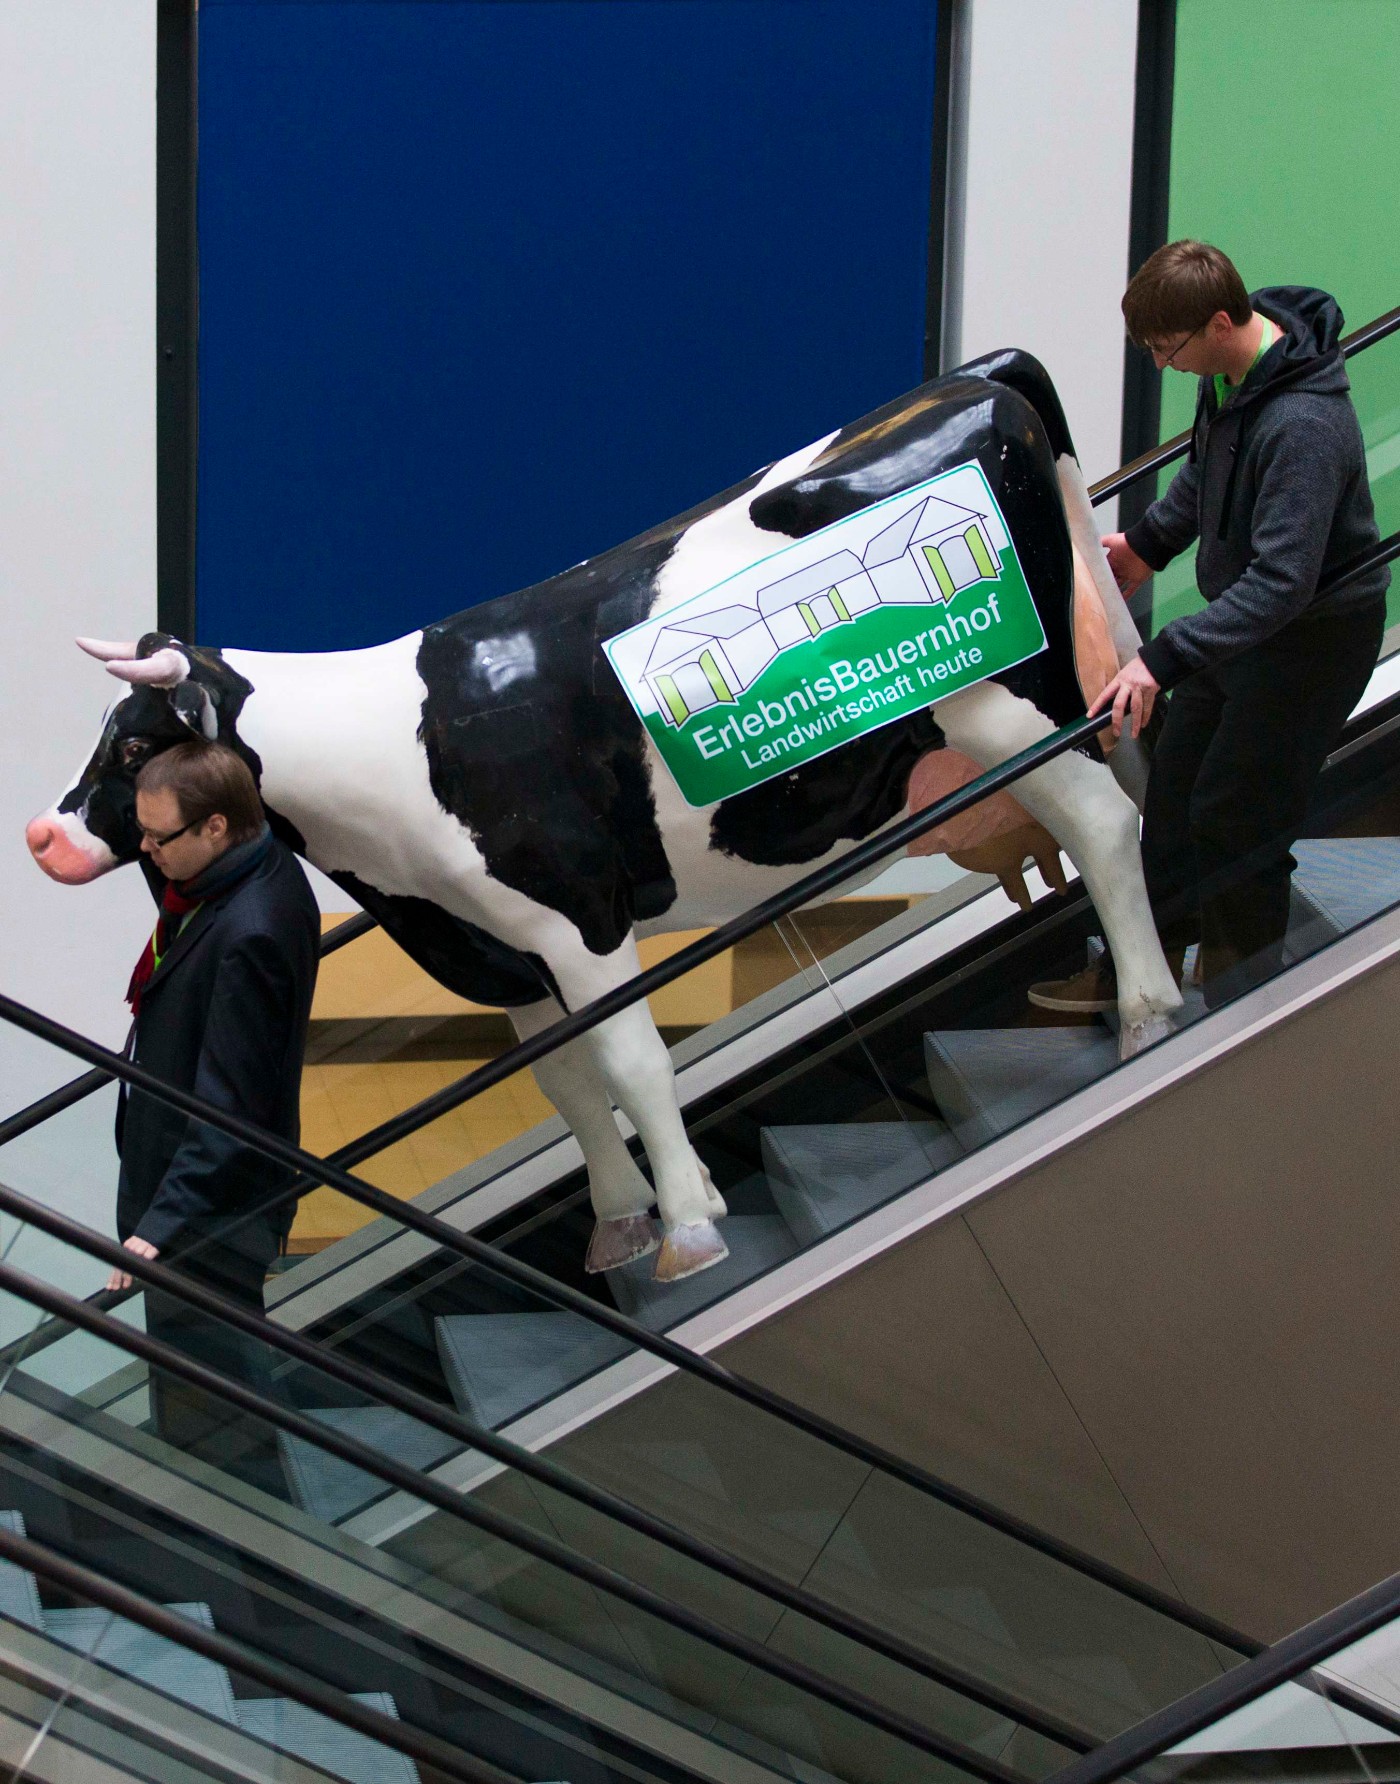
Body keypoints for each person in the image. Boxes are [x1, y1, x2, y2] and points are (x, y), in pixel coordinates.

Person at [1031, 241, 1389, 1013]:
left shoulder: (1303, 426)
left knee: (1237, 816)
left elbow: (1282, 583)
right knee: (1175, 788)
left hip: (1312, 642)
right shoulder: (1239, 375)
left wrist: (1161, 659)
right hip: (1249, 631)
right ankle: (1146, 969)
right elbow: (1208, 470)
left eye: (1168, 350)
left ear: (1221, 320)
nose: (1163, 366)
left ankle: (1242, 1000)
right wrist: (1149, 545)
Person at [113, 741, 319, 1483]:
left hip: (209, 1213)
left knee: (221, 1399)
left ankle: (249, 1552)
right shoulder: (234, 876)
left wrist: (156, 1230)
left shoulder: (253, 929)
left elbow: (228, 1107)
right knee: (192, 1382)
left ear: (215, 828)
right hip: (185, 1194)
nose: (144, 849)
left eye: (158, 836)